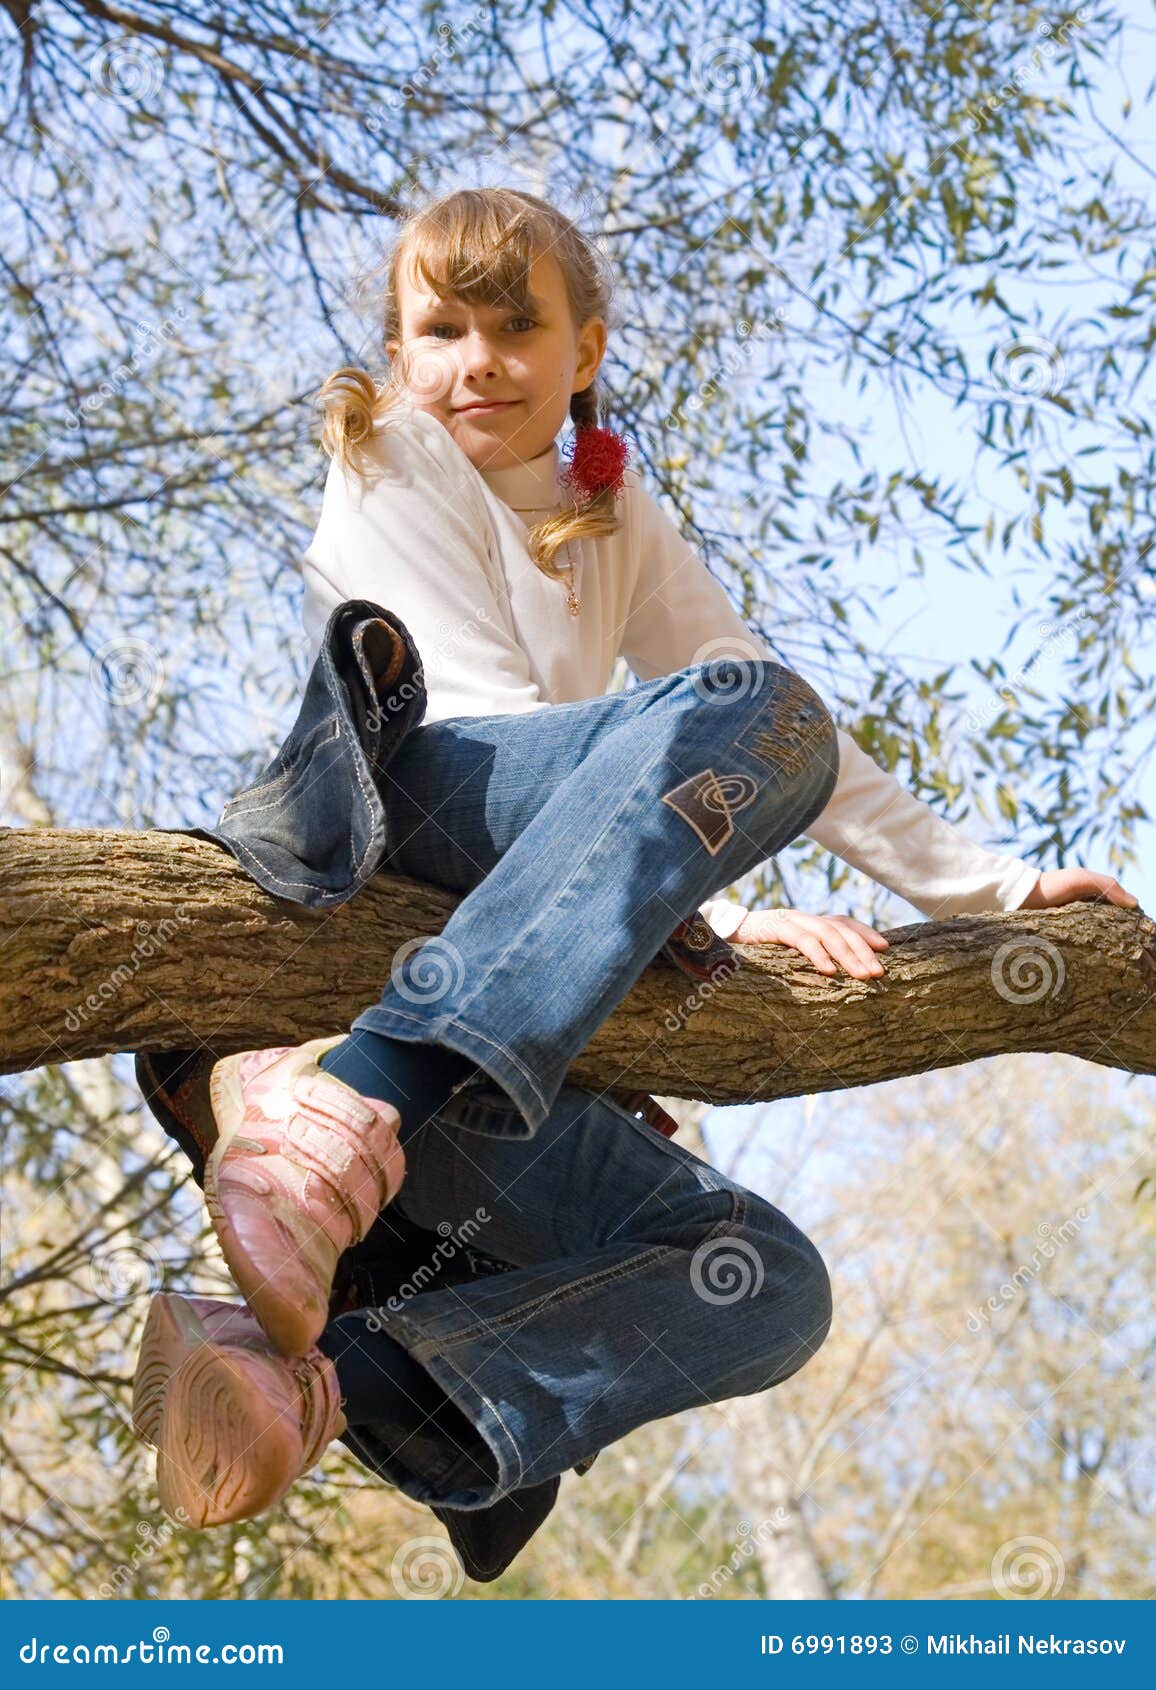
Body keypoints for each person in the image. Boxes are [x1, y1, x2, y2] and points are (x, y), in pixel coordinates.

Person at [135, 186, 1136, 1567]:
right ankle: (341, 1108)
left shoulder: (614, 517)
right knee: (751, 714)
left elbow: (784, 729)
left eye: (515, 327)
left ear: (585, 350)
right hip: (412, 812)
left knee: (767, 1284)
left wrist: (997, 893)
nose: (476, 360)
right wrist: (711, 904)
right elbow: (487, 715)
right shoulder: (392, 453)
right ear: (399, 350)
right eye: (441, 329)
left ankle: (303, 1383)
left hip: (493, 1000)